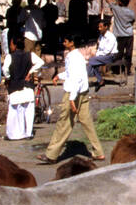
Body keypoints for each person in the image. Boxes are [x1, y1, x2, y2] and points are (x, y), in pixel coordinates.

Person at [38, 33, 105, 163]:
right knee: (87, 122)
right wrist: (59, 76)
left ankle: (51, 155)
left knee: (64, 123)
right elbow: (72, 73)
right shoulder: (78, 56)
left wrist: (71, 99)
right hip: (82, 91)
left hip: (73, 92)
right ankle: (98, 152)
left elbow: (75, 78)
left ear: (71, 43)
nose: (64, 43)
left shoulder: (73, 57)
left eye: (65, 41)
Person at [3, 37, 44, 140]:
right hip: (27, 87)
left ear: (15, 45)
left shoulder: (10, 57)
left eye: (11, 44)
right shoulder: (30, 55)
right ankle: (28, 133)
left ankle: (15, 134)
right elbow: (40, 62)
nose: (10, 46)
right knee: (28, 111)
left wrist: (8, 77)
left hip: (15, 86)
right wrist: (30, 72)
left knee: (15, 112)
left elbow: (5, 69)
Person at [87, 19, 120, 87]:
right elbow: (99, 49)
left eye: (101, 27)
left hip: (111, 56)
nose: (99, 29)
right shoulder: (101, 36)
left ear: (106, 27)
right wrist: (96, 55)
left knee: (91, 60)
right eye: (98, 27)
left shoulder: (110, 37)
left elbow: (107, 51)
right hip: (104, 56)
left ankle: (85, 76)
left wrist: (96, 56)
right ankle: (100, 81)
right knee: (94, 63)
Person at [109, 0, 135, 75]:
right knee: (128, 53)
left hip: (119, 35)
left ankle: (116, 70)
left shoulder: (116, 9)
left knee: (119, 52)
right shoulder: (130, 12)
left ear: (120, 2)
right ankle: (127, 70)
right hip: (129, 35)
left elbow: (108, 1)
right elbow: (132, 21)